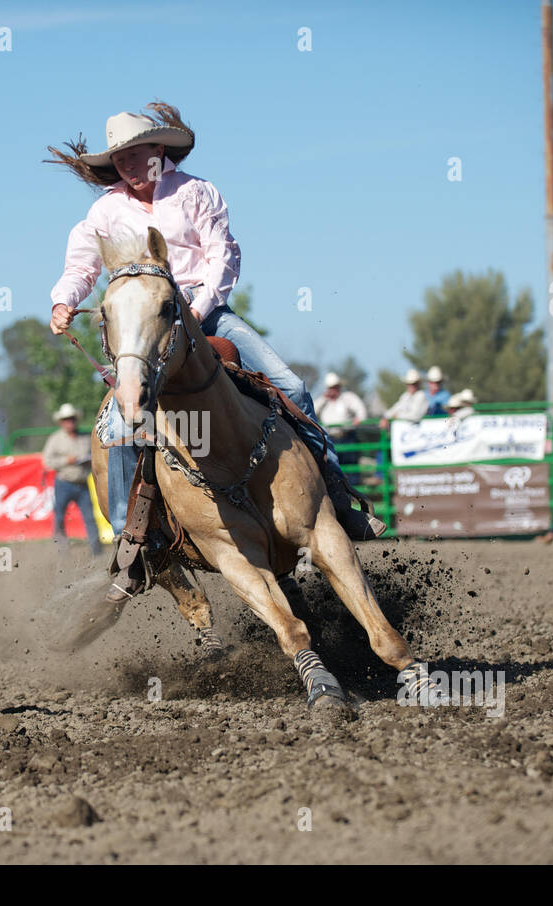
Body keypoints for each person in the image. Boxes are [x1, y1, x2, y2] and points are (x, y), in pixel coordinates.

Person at [46, 102, 381, 584]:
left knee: (292, 384)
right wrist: (63, 301)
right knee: (117, 424)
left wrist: (197, 312)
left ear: (159, 149)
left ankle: (337, 499)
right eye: (118, 157)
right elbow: (81, 267)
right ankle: (129, 536)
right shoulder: (104, 212)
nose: (125, 163)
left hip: (206, 315)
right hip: (143, 327)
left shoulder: (197, 192)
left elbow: (222, 255)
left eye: (134, 153)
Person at [41, 403, 103, 557]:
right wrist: (66, 461)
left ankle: (96, 552)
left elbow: (96, 455)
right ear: (62, 422)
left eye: (72, 419)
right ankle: (61, 550)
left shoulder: (85, 437)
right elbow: (47, 461)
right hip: (63, 483)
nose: (70, 422)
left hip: (82, 483)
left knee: (90, 518)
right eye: (67, 419)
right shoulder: (55, 439)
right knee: (60, 518)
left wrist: (89, 462)